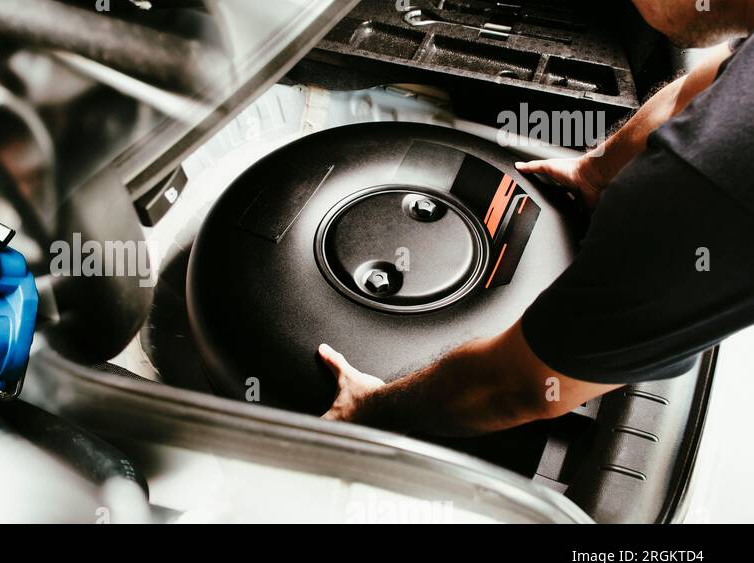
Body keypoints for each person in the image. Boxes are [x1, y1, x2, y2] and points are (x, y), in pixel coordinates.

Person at [319, 0, 754, 436]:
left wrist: (370, 407)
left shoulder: (705, 185)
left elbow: (515, 387)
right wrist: (595, 172)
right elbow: (702, 83)